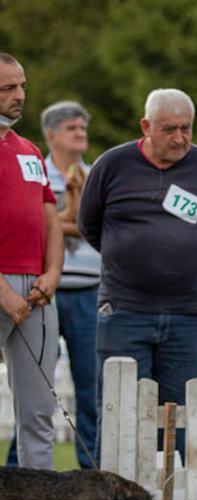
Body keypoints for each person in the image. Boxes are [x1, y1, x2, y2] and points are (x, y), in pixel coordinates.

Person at [79, 88, 197, 463]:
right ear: (146, 126)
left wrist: (181, 260)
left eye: (187, 128)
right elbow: (90, 225)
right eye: (170, 129)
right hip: (124, 309)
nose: (181, 138)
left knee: (175, 410)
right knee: (120, 409)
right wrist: (133, 259)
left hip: (188, 312)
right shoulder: (112, 165)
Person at [0, 53, 64, 469]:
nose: (20, 96)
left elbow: (50, 218)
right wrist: (3, 291)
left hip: (37, 288)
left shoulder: (29, 150)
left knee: (39, 407)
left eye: (22, 85)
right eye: (8, 88)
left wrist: (53, 274)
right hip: (2, 285)